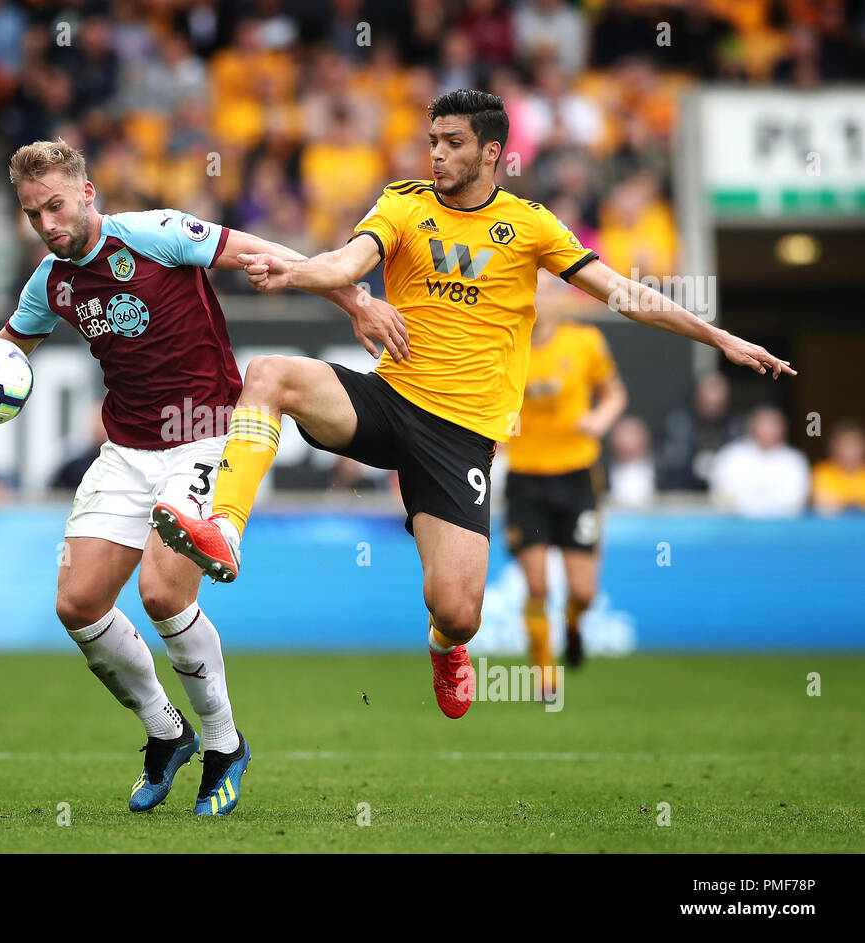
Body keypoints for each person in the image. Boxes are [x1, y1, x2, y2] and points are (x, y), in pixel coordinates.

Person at [151, 89, 793, 721]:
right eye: (432, 140)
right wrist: (293, 272)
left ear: (491, 153)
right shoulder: (403, 204)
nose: (436, 154)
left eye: (452, 143)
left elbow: (623, 293)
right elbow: (347, 263)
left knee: (458, 612)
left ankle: (444, 646)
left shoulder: (531, 225)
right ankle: (225, 528)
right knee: (269, 373)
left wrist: (718, 337)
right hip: (389, 399)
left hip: (459, 438)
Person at [0, 138, 403, 815]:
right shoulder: (49, 281)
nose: (47, 224)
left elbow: (267, 253)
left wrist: (353, 299)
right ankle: (166, 731)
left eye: (56, 206)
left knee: (162, 594)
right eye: (33, 214)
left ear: (88, 193)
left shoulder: (157, 233)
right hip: (126, 449)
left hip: (205, 436)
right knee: (78, 604)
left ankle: (224, 744)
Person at [504, 306, 626, 678]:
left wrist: (600, 419)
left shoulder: (584, 341)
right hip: (526, 478)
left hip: (577, 477)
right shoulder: (504, 344)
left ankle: (573, 623)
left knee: (584, 592)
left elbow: (614, 393)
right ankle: (545, 674)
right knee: (537, 585)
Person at [710, 407, 810, 518]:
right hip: (738, 524)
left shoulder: (795, 460)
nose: (768, 429)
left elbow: (796, 500)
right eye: (763, 424)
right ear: (752, 426)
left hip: (782, 525)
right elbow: (723, 495)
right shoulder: (731, 455)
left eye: (773, 424)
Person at [811, 419, 865, 514]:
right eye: (844, 444)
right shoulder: (822, 471)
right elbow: (821, 502)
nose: (849, 449)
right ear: (833, 446)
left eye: (854, 443)